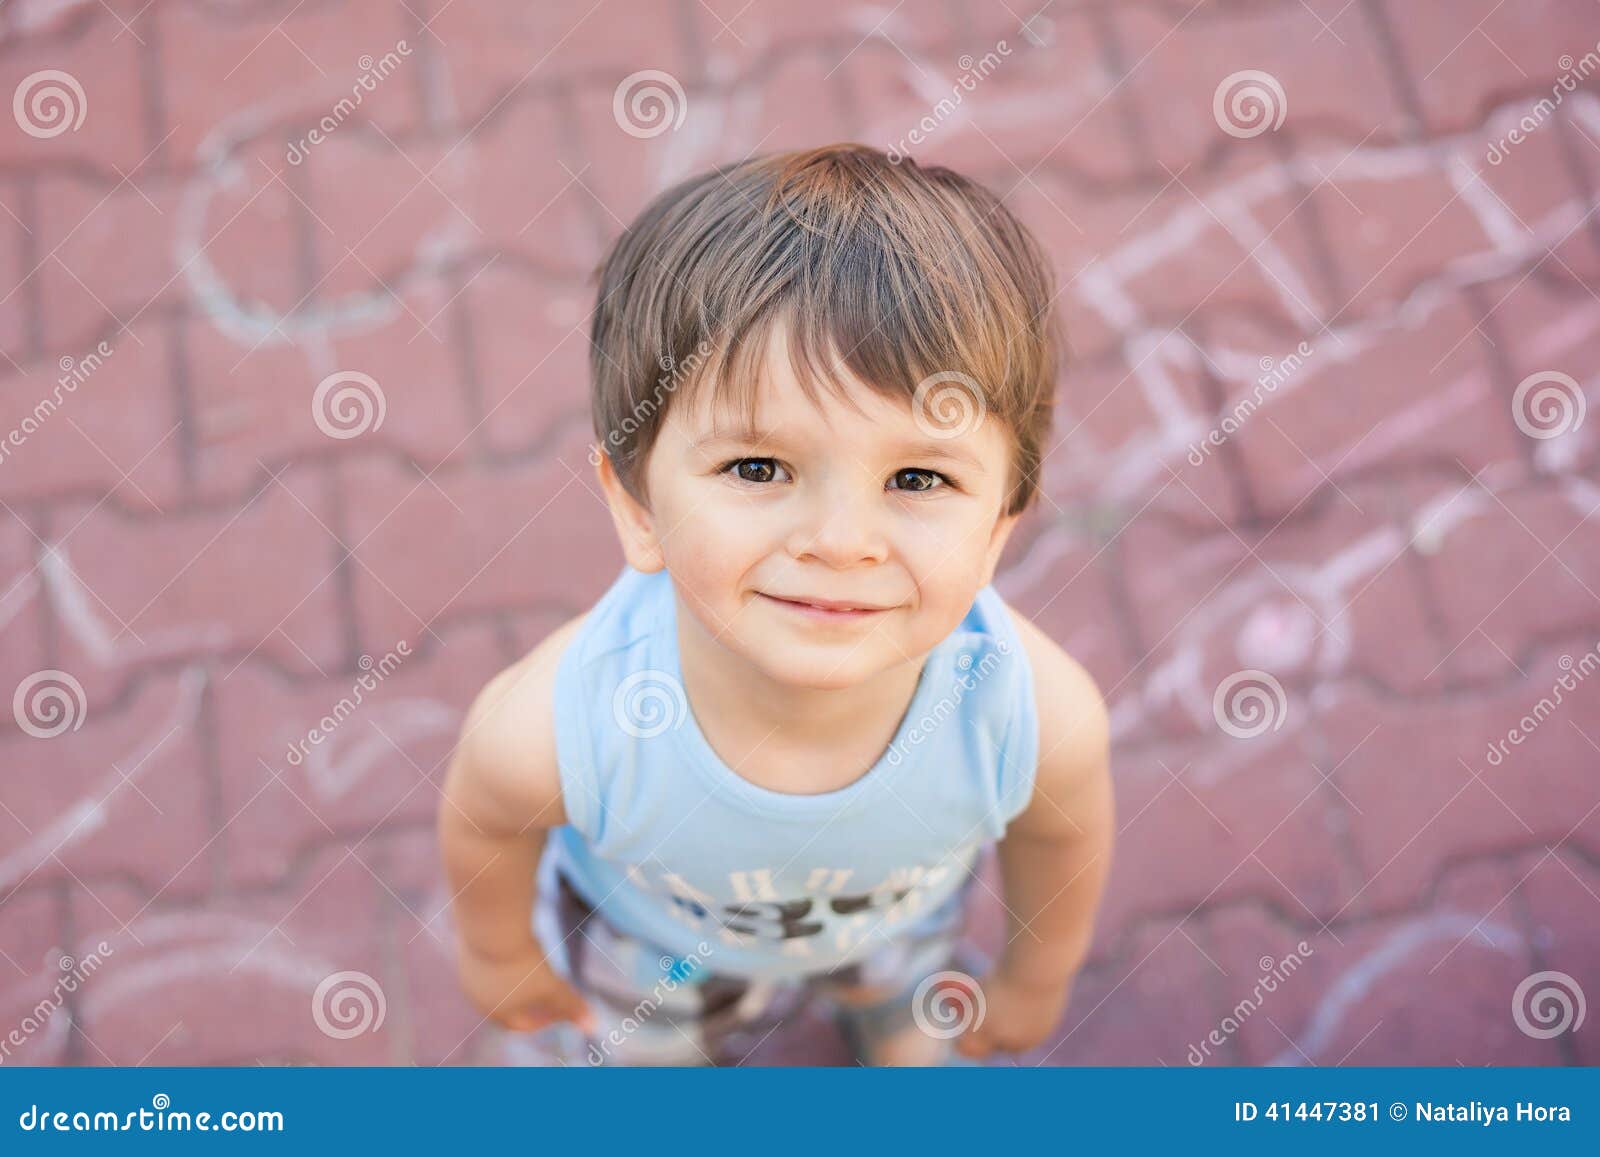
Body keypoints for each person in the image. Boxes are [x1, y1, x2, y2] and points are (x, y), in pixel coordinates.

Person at [438, 143, 1113, 1066]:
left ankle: (885, 1015)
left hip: (896, 928)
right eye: (758, 467)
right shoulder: (562, 725)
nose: (840, 540)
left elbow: (1062, 840)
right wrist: (498, 950)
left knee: (910, 1004)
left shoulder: (1034, 711)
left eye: (918, 476)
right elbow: (484, 821)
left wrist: (1036, 977)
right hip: (656, 953)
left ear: (997, 528)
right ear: (637, 507)